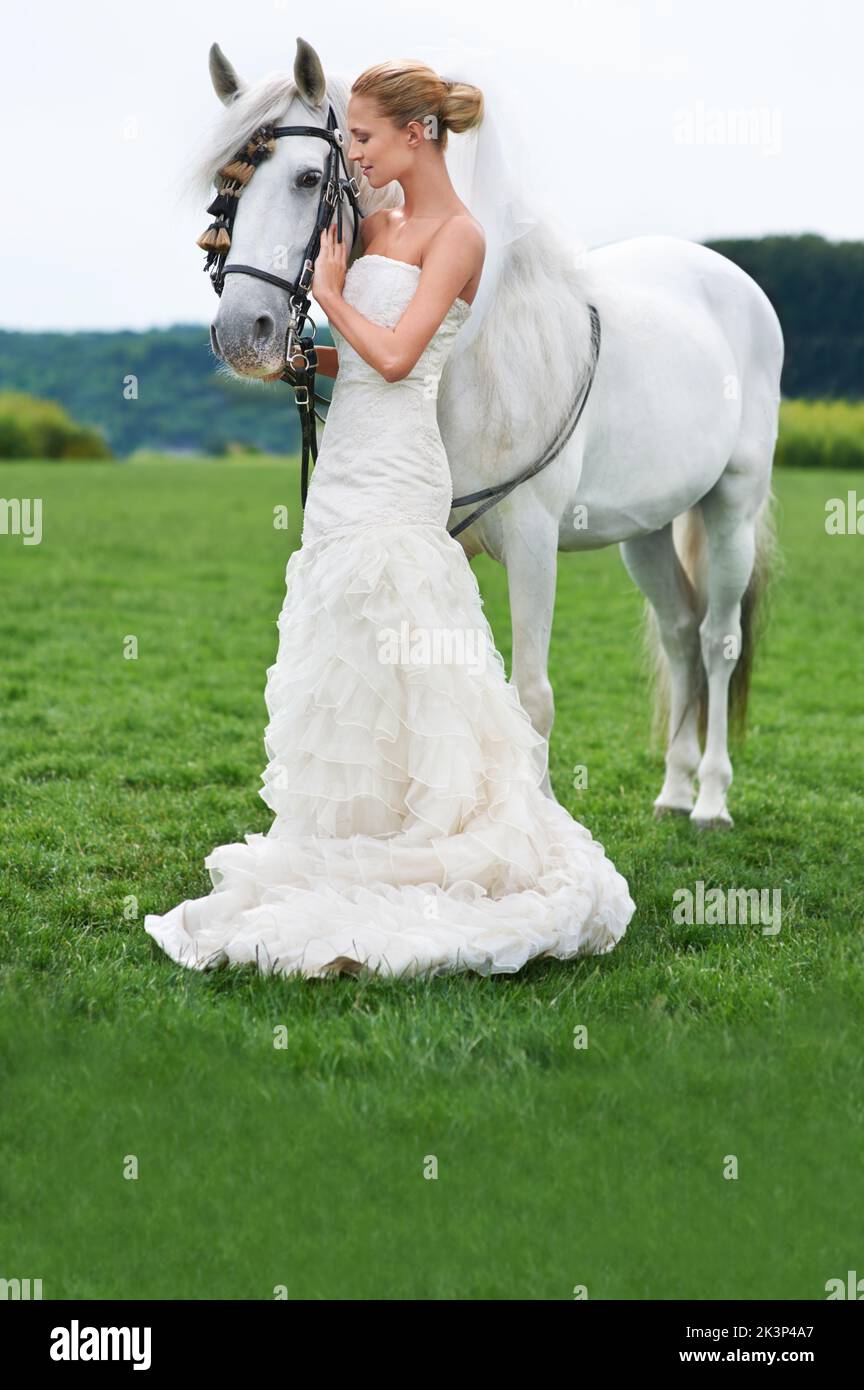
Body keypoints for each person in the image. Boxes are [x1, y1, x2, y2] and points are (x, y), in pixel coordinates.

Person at [144, 60, 635, 978]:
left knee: (414, 638)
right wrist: (308, 361)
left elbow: (404, 360)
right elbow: (360, 369)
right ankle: (370, 833)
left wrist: (331, 299)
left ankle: (450, 839)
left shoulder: (459, 236)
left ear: (419, 134)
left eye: (365, 136)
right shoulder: (381, 225)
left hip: (403, 469)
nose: (355, 153)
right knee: (353, 657)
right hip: (347, 468)